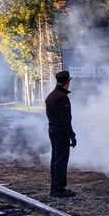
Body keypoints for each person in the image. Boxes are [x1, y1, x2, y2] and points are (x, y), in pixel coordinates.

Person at [45, 70, 77, 198]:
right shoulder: (62, 98)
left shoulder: (51, 96)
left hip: (52, 130)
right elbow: (65, 120)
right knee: (61, 161)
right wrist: (72, 135)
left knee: (55, 159)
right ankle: (59, 189)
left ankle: (54, 187)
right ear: (67, 82)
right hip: (60, 132)